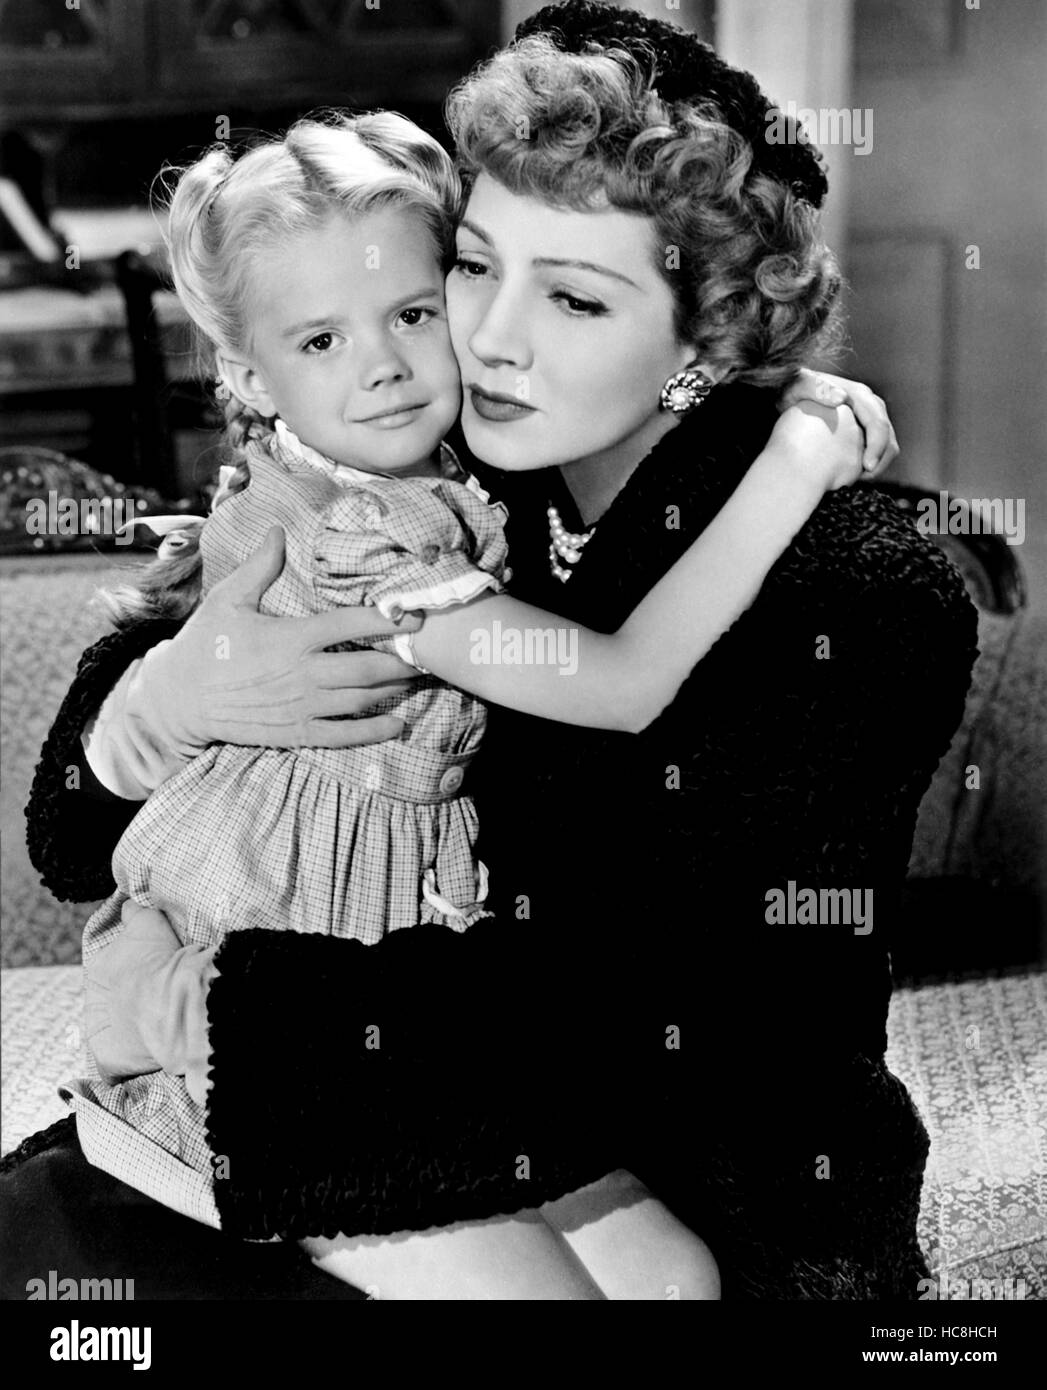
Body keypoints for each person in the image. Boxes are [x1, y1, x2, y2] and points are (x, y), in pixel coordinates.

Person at [24, 2, 977, 1300]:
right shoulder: (426, 482)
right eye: (475, 269)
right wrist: (162, 697)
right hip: (291, 1062)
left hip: (576, 1122)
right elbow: (73, 832)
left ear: (701, 340)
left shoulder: (852, 585)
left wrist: (796, 454)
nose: (481, 343)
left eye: (573, 294)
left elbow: (633, 985)